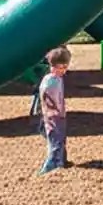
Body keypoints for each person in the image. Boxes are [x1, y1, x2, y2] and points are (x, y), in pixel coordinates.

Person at [37, 46, 72, 175]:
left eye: (65, 67)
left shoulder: (53, 79)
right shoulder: (52, 81)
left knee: (60, 138)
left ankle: (62, 160)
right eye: (61, 67)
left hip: (54, 114)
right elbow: (48, 98)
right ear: (54, 65)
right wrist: (55, 110)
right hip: (53, 115)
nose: (63, 70)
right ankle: (50, 166)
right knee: (56, 140)